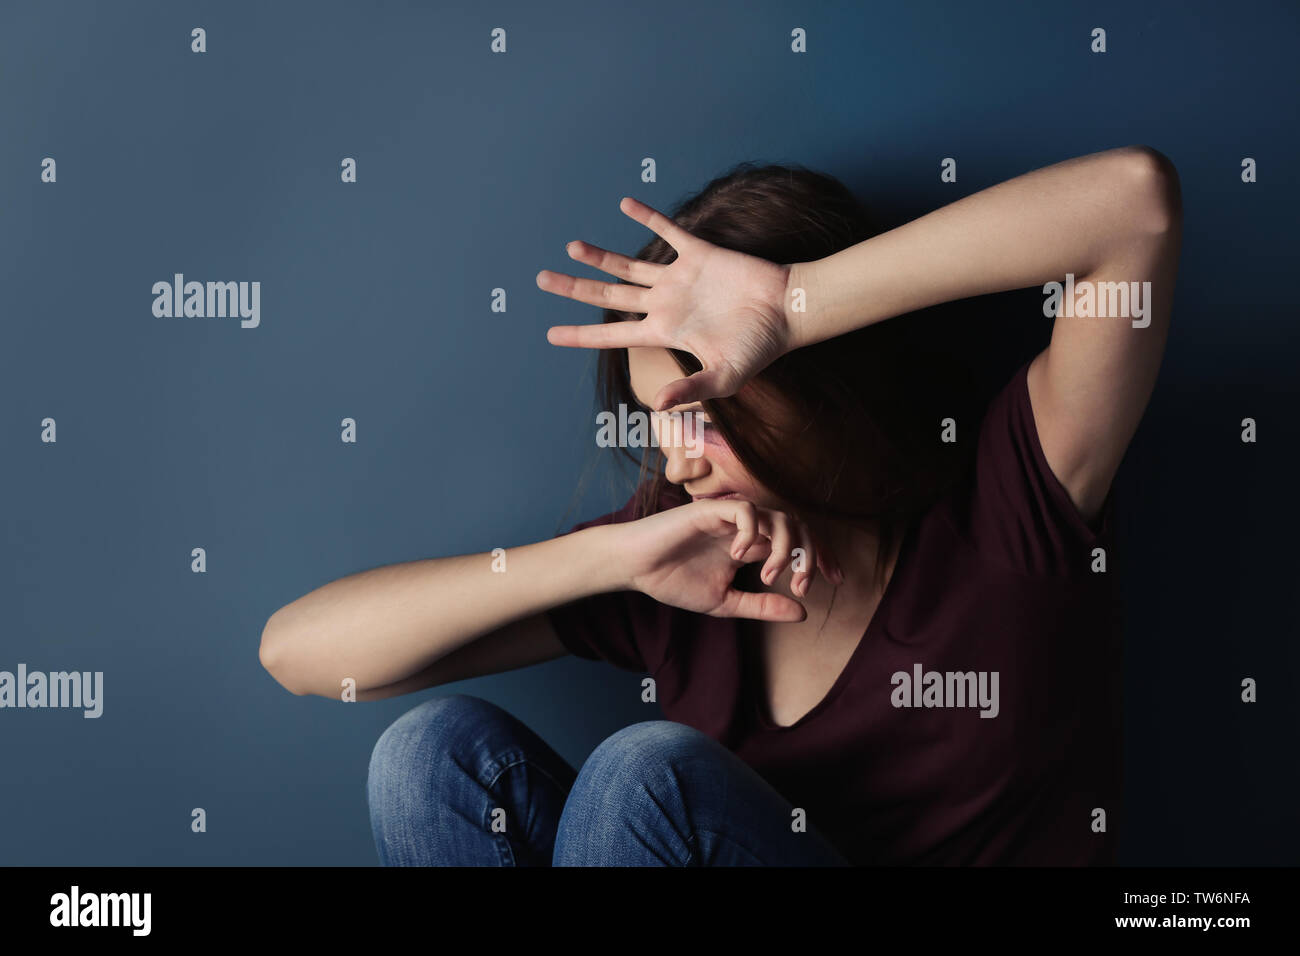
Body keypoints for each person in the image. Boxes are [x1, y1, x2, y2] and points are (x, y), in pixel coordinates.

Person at [259, 145, 1182, 865]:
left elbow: (1133, 208)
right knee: (429, 755)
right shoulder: (679, 555)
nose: (678, 458)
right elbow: (298, 653)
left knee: (647, 779)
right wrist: (609, 560)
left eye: (707, 401)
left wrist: (792, 301)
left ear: (810, 374)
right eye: (658, 421)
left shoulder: (1009, 511)